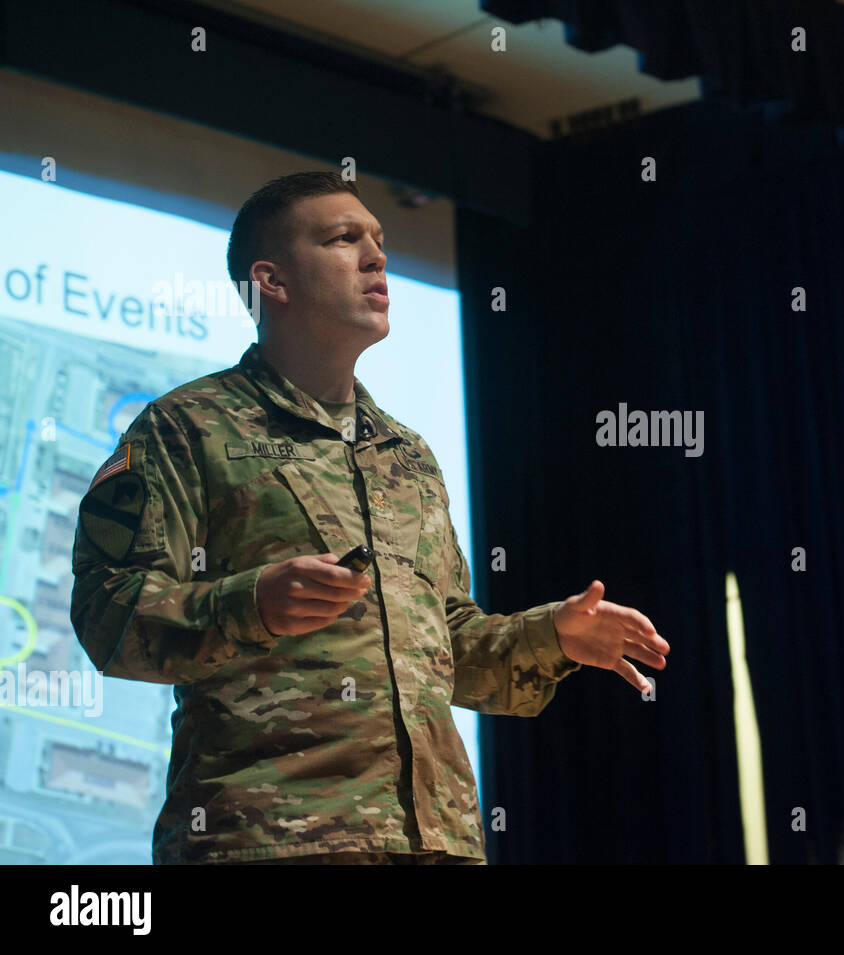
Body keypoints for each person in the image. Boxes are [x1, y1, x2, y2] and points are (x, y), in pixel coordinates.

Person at [68, 171, 669, 865]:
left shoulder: (407, 454)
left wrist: (551, 636)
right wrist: (250, 603)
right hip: (266, 842)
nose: (377, 257)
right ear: (273, 281)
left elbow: (450, 650)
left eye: (379, 241)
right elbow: (107, 616)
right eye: (343, 239)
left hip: (434, 845)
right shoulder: (185, 429)